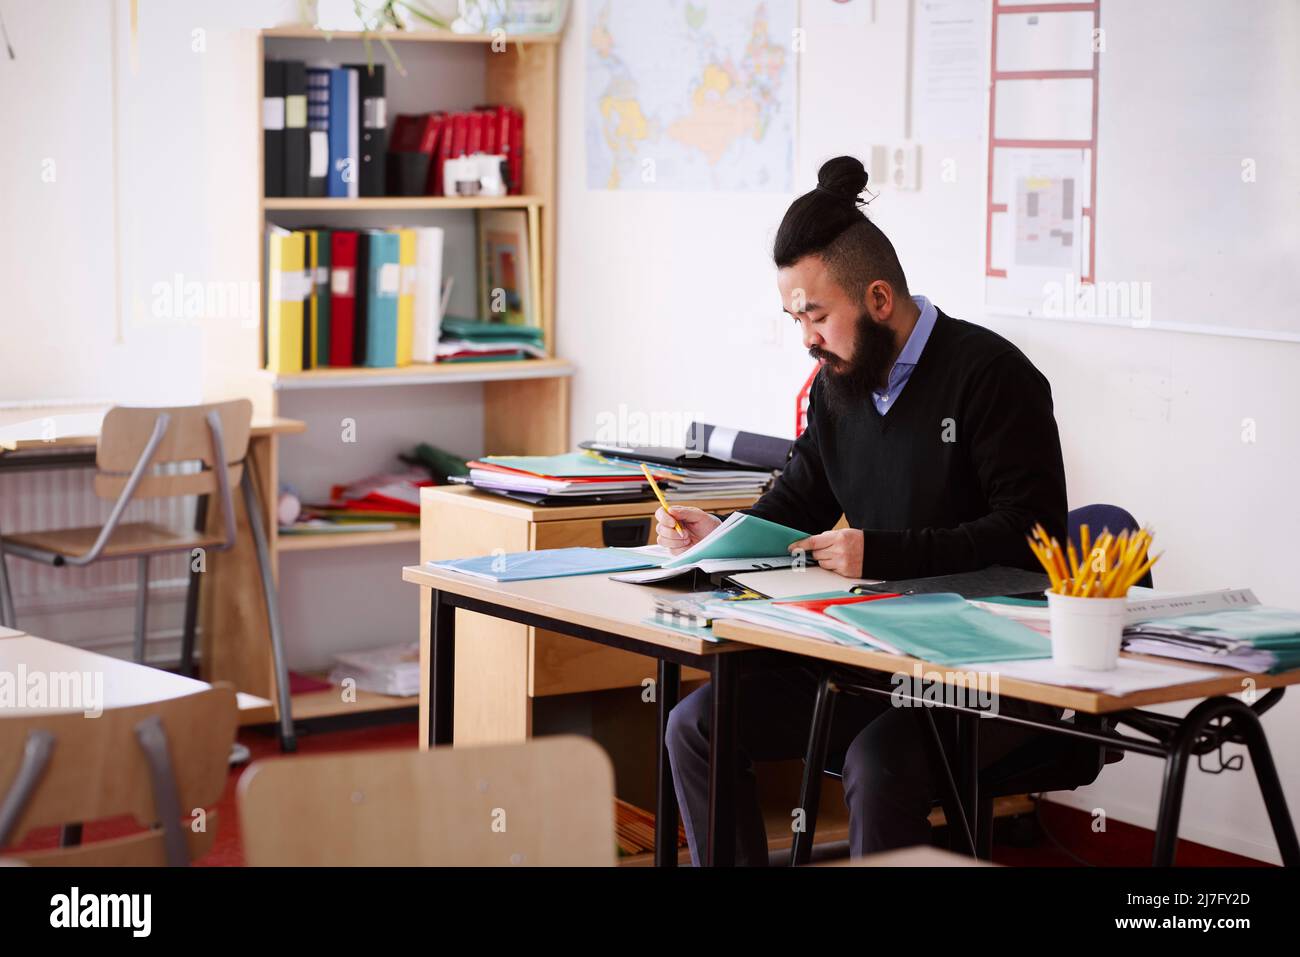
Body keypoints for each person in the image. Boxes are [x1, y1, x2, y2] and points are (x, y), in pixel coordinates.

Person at [659, 155, 1069, 865]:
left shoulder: (992, 376)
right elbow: (797, 500)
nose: (808, 339)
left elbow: (1031, 538)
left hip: (991, 669)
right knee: (697, 723)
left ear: (879, 299)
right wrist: (719, 535)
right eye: (796, 318)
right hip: (868, 657)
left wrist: (884, 553)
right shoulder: (837, 385)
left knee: (877, 765)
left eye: (817, 316)